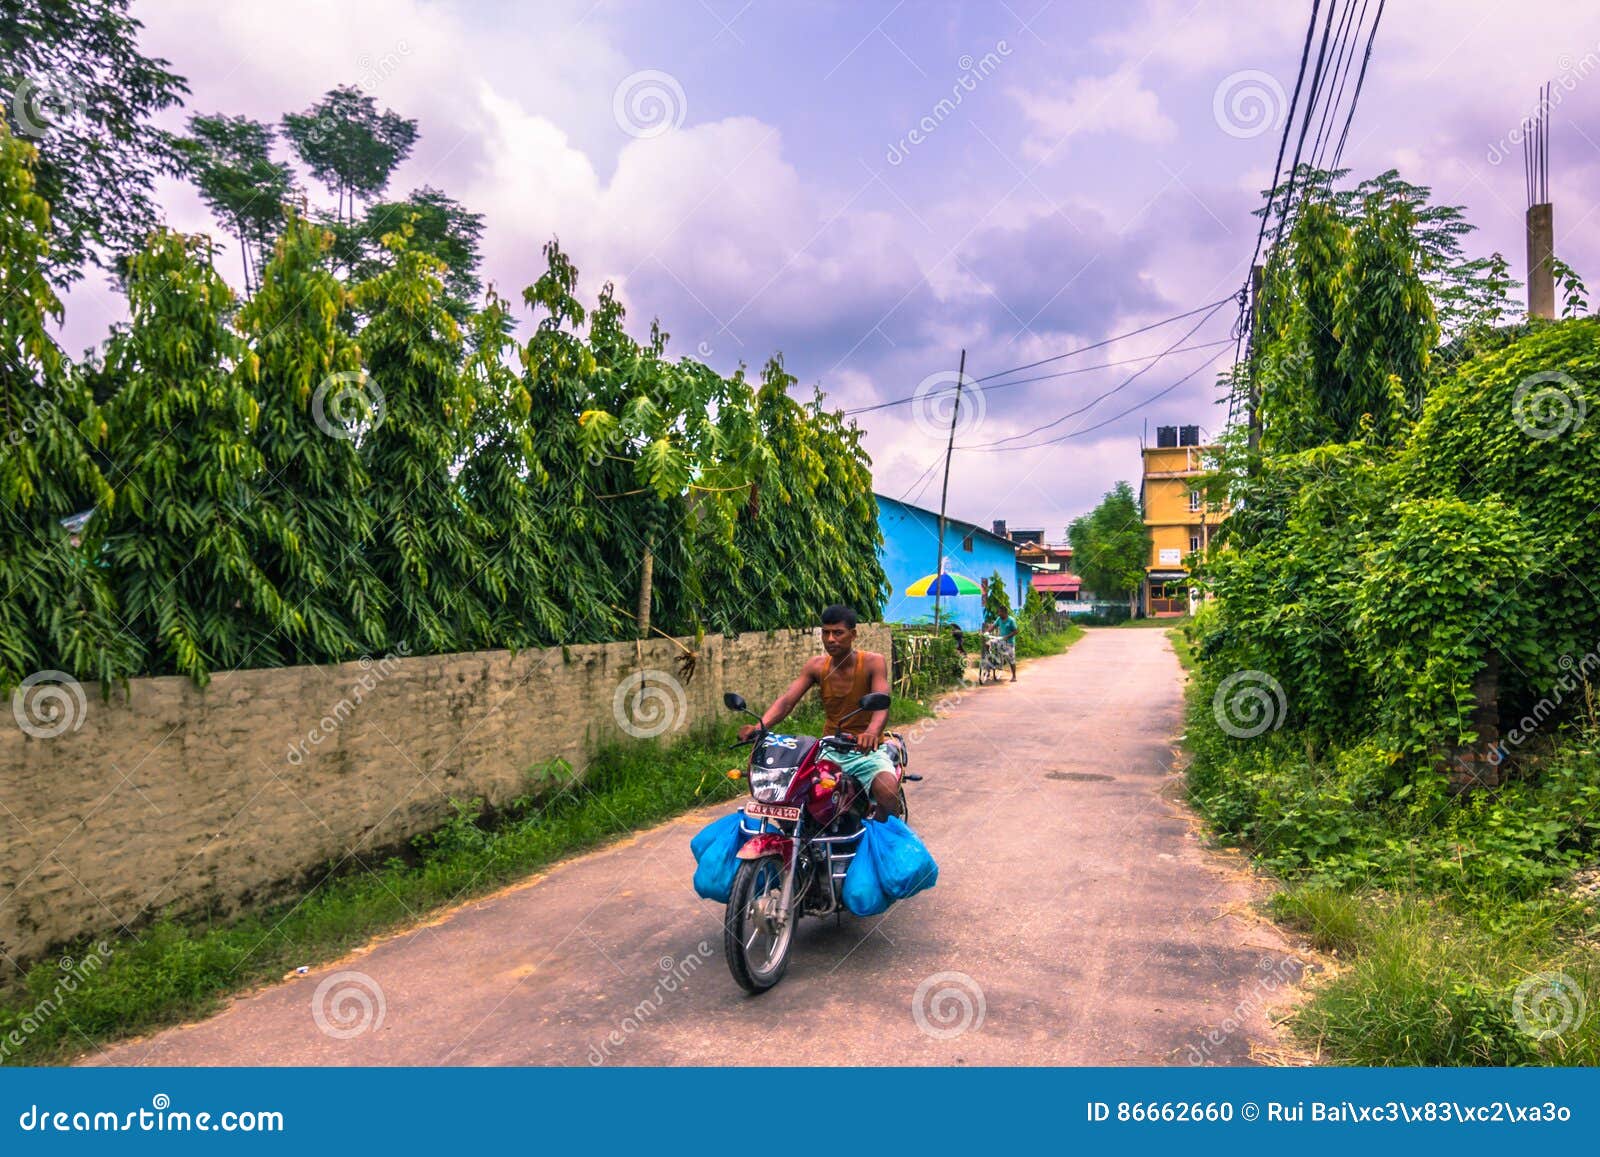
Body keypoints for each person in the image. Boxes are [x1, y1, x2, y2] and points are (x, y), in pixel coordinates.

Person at [737, 604, 900, 820]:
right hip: (829, 748)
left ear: (853, 635)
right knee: (798, 792)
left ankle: (888, 844)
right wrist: (759, 727)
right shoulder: (816, 666)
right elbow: (787, 701)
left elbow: (881, 702)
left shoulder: (873, 662)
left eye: (838, 633)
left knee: (886, 790)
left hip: (867, 751)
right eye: (826, 632)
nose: (830, 639)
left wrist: (871, 731)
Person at [984, 608, 1019, 682]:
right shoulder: (999, 619)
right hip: (1000, 640)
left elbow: (1016, 631)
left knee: (1011, 659)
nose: (999, 614)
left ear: (1005, 612)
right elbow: (993, 626)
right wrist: (987, 632)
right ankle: (991, 661)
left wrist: (1007, 637)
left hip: (1009, 642)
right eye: (998, 612)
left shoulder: (1011, 620)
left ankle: (1014, 676)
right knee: (987, 644)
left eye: (1000, 612)